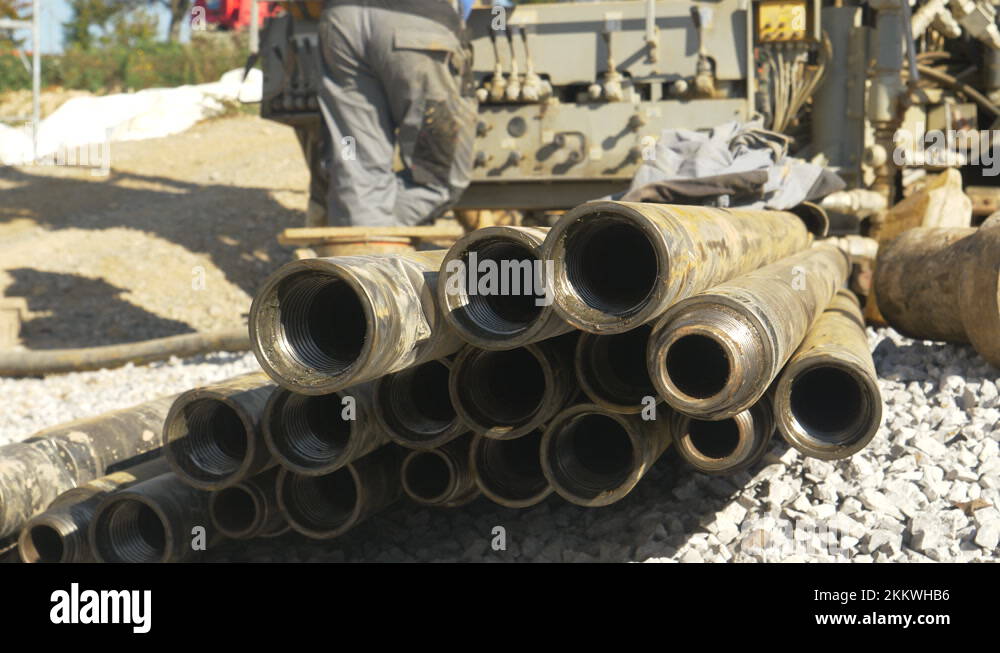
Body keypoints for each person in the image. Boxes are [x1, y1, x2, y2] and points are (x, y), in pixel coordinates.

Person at [316, 0, 478, 227]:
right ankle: (382, 247)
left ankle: (364, 245)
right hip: (418, 24)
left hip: (341, 23)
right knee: (439, 179)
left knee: (357, 169)